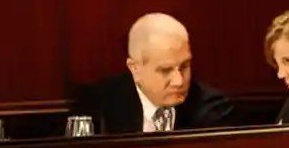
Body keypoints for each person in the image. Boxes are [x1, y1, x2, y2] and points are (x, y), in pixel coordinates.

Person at [73, 13, 233, 135]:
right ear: (135, 69)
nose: (179, 81)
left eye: (184, 66)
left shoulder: (212, 108)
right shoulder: (98, 105)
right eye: (165, 70)